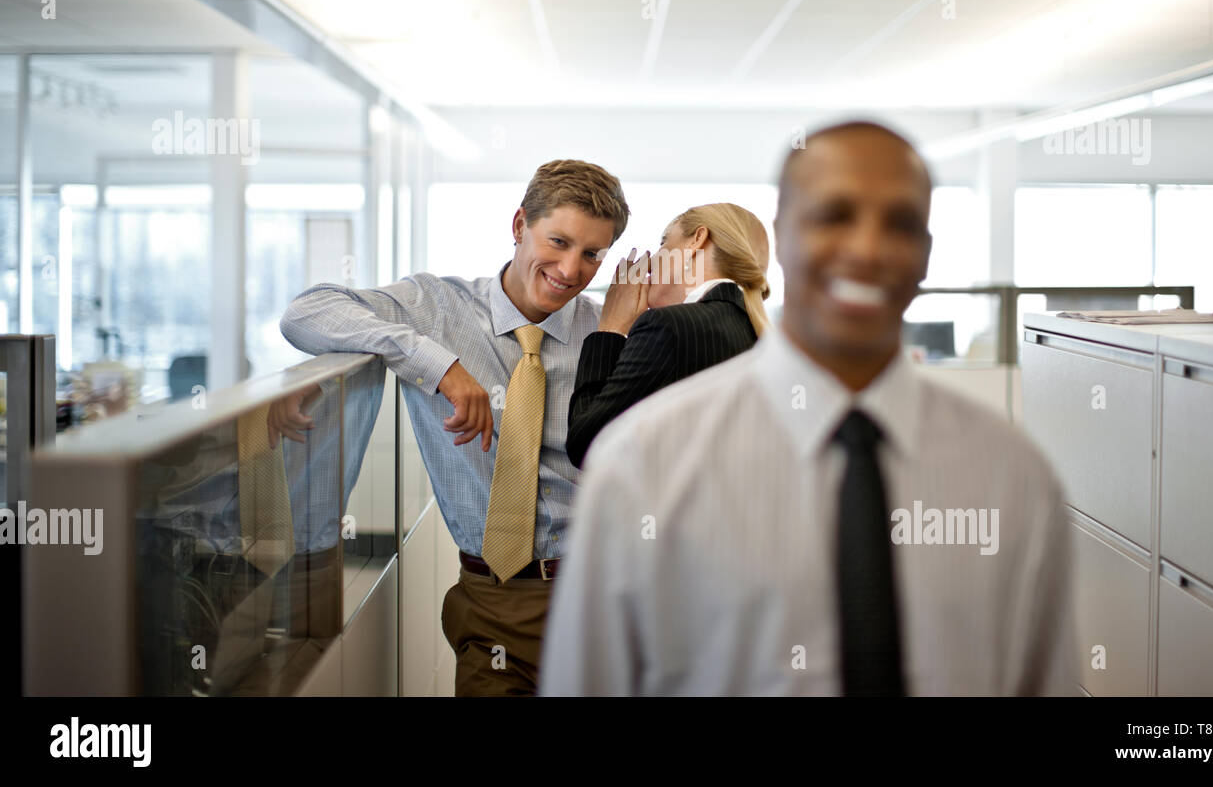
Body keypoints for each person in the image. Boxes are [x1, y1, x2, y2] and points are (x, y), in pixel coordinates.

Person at [540, 122, 1075, 696]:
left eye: (899, 222)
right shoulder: (646, 462)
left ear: (926, 252)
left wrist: (621, 326)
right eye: (834, 216)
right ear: (784, 236)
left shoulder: (1013, 477)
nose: (866, 248)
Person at [279, 160, 629, 697]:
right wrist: (438, 364)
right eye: (557, 241)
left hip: (598, 594)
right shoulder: (437, 308)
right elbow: (307, 312)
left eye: (592, 254)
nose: (570, 268)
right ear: (519, 226)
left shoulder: (607, 332)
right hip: (492, 601)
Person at [566, 202, 771, 468]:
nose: (651, 263)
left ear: (697, 239)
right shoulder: (761, 337)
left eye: (664, 243)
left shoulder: (667, 328)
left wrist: (610, 329)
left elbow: (589, 447)